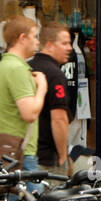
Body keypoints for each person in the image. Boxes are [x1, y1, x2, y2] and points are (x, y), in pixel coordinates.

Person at [0, 16, 47, 170]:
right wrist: (42, 88)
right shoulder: (17, 69)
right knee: (31, 194)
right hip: (20, 152)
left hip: (6, 148)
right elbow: (29, 114)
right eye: (34, 36)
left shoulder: (3, 66)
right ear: (22, 38)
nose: (38, 42)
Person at [29, 22, 73, 173]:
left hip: (27, 153)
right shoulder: (55, 74)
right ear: (49, 45)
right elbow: (59, 118)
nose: (70, 48)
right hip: (46, 157)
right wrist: (62, 155)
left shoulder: (27, 67)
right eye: (64, 43)